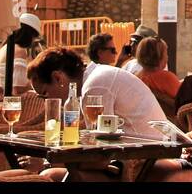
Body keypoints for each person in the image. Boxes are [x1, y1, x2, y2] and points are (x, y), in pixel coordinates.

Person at [28, 47, 168, 141]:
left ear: (58, 78)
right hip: (144, 150)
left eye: (44, 94)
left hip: (148, 158)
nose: (46, 100)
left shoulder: (94, 86)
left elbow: (98, 148)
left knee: (52, 173)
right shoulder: (95, 76)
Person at [135, 36, 181, 103]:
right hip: (168, 113)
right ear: (159, 56)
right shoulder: (166, 78)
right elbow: (184, 99)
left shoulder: (136, 78)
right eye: (166, 53)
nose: (167, 57)